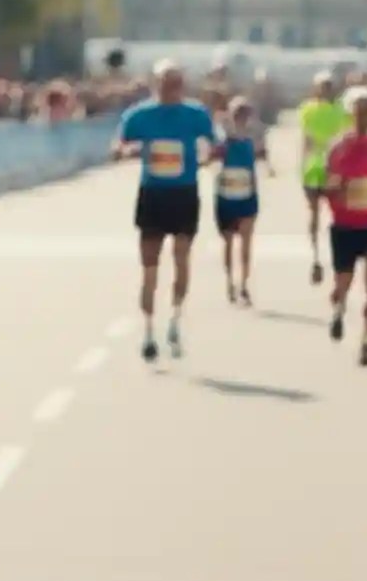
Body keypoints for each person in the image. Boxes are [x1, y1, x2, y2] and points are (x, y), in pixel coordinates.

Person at [111, 59, 216, 361]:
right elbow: (119, 140)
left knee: (181, 257)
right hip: (153, 195)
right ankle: (147, 330)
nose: (171, 89)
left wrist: (209, 153)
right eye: (166, 83)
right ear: (156, 84)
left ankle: (175, 319)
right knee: (150, 268)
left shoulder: (195, 114)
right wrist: (121, 150)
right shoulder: (140, 115)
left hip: (183, 194)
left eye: (176, 83)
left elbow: (213, 140)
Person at [324, 86, 367, 367]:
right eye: (358, 112)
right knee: (343, 283)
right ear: (351, 114)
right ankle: (339, 308)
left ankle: (366, 341)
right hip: (346, 225)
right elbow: (330, 186)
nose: (363, 117)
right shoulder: (339, 148)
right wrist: (340, 195)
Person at [214, 96, 273, 307]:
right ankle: (230, 282)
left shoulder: (255, 136)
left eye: (245, 113)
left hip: (247, 195)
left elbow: (264, 154)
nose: (241, 117)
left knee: (246, 242)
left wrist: (268, 164)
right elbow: (211, 154)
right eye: (238, 112)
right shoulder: (222, 134)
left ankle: (244, 284)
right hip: (226, 196)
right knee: (228, 242)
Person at [298, 72, 351, 286]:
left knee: (323, 215)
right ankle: (318, 255)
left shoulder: (312, 109)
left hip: (321, 168)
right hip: (324, 168)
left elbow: (307, 141)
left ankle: (320, 255)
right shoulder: (333, 110)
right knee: (325, 214)